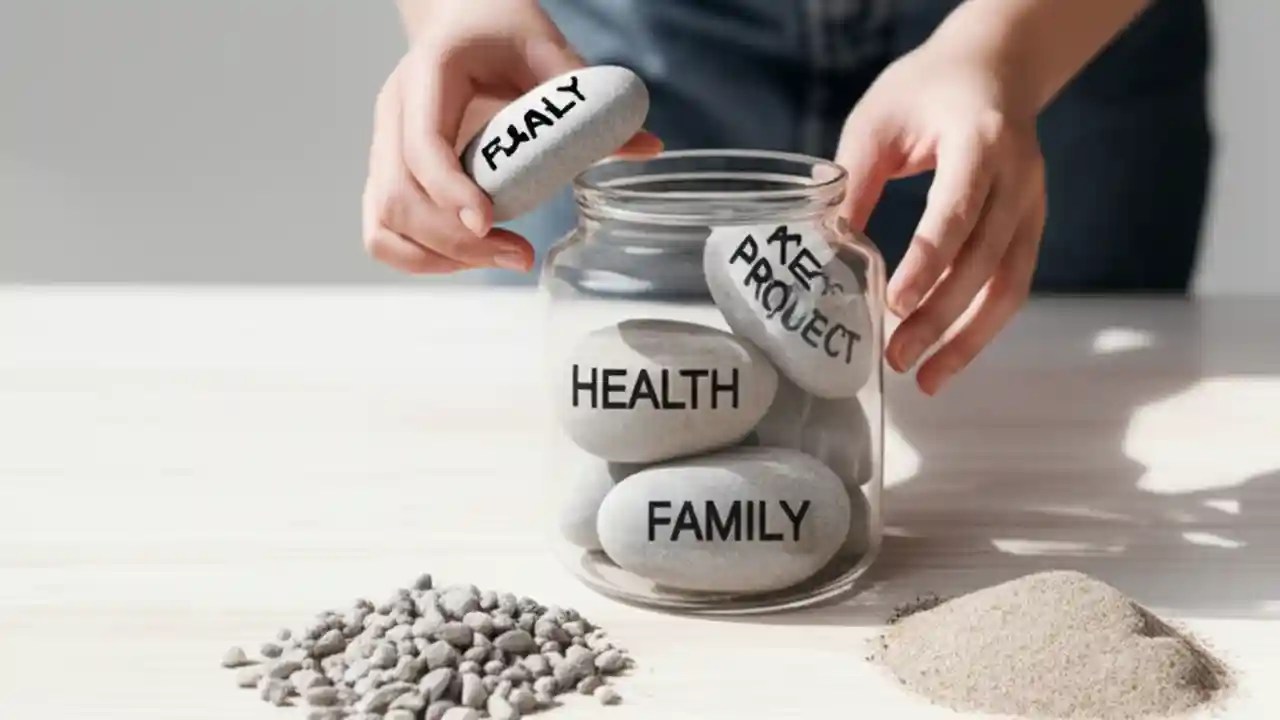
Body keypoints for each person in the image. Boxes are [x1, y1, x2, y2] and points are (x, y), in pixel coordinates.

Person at [361, 0, 1210, 395]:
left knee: (1037, 422)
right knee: (629, 410)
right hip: (625, 40)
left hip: (1045, 37)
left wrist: (1008, 52)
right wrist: (458, 15)